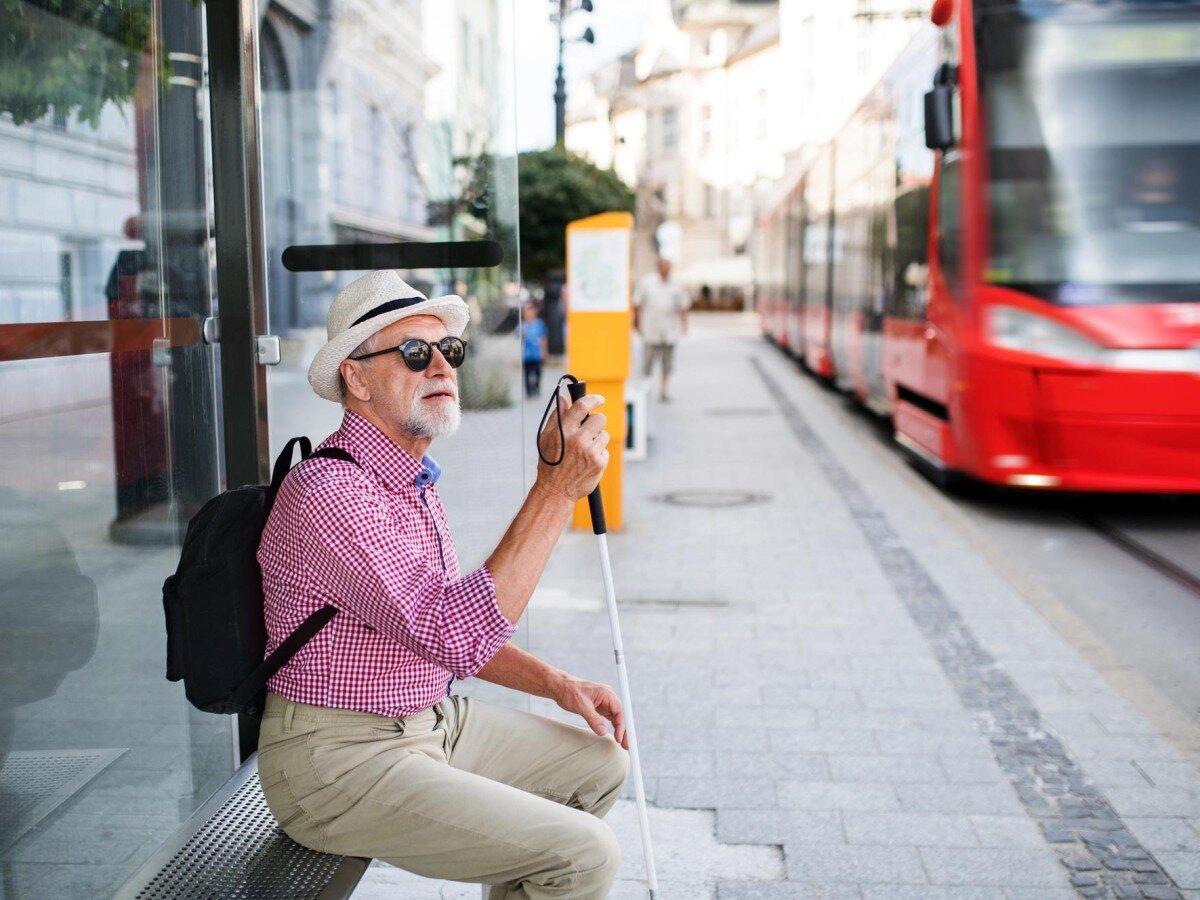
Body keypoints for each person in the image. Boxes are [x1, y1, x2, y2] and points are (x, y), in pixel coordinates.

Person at [256, 270, 627, 898]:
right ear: (355, 376)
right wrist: (554, 489)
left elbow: (449, 624)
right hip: (335, 758)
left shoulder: (412, 482)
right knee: (584, 854)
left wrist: (558, 685)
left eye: (448, 351)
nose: (441, 367)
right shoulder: (330, 494)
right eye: (412, 353)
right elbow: (454, 632)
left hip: (429, 723)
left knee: (600, 766)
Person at [633, 256, 691, 402]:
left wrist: (684, 323)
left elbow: (683, 306)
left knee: (667, 363)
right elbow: (637, 303)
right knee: (648, 362)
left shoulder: (677, 283)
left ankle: (664, 390)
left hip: (670, 330)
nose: (666, 269)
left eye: (668, 267)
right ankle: (645, 390)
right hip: (651, 328)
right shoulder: (647, 282)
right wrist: (636, 322)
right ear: (659, 267)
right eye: (664, 266)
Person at [521, 299, 548, 399]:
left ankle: (536, 389)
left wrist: (545, 351)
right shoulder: (523, 325)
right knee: (527, 374)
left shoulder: (539, 324)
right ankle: (529, 392)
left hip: (537, 354)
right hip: (526, 355)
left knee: (538, 373)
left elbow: (543, 338)